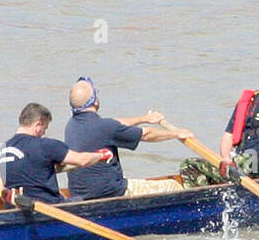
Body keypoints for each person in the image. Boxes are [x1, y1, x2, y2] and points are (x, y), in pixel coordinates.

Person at [63, 77, 193, 200]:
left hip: (79, 193)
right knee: (173, 185)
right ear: (95, 101)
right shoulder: (105, 126)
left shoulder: (71, 125)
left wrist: (144, 119)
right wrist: (176, 133)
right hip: (111, 192)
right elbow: (146, 134)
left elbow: (115, 123)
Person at [0, 102, 114, 203]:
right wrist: (102, 155)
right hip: (49, 208)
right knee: (82, 200)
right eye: (45, 128)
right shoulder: (46, 145)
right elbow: (82, 160)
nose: (43, 133)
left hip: (16, 207)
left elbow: (29, 170)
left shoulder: (3, 150)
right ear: (38, 124)